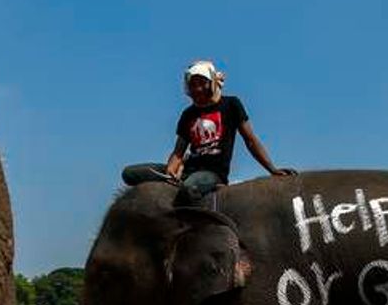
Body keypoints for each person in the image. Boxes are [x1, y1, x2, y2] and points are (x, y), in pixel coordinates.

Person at [123, 60, 294, 204]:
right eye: (193, 84)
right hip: (187, 171)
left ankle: (213, 196)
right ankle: (176, 186)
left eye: (202, 83)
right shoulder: (188, 114)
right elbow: (178, 151)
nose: (197, 89)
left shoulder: (231, 105)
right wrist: (170, 171)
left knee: (189, 189)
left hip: (212, 174)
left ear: (211, 83)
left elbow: (250, 140)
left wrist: (272, 169)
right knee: (129, 174)